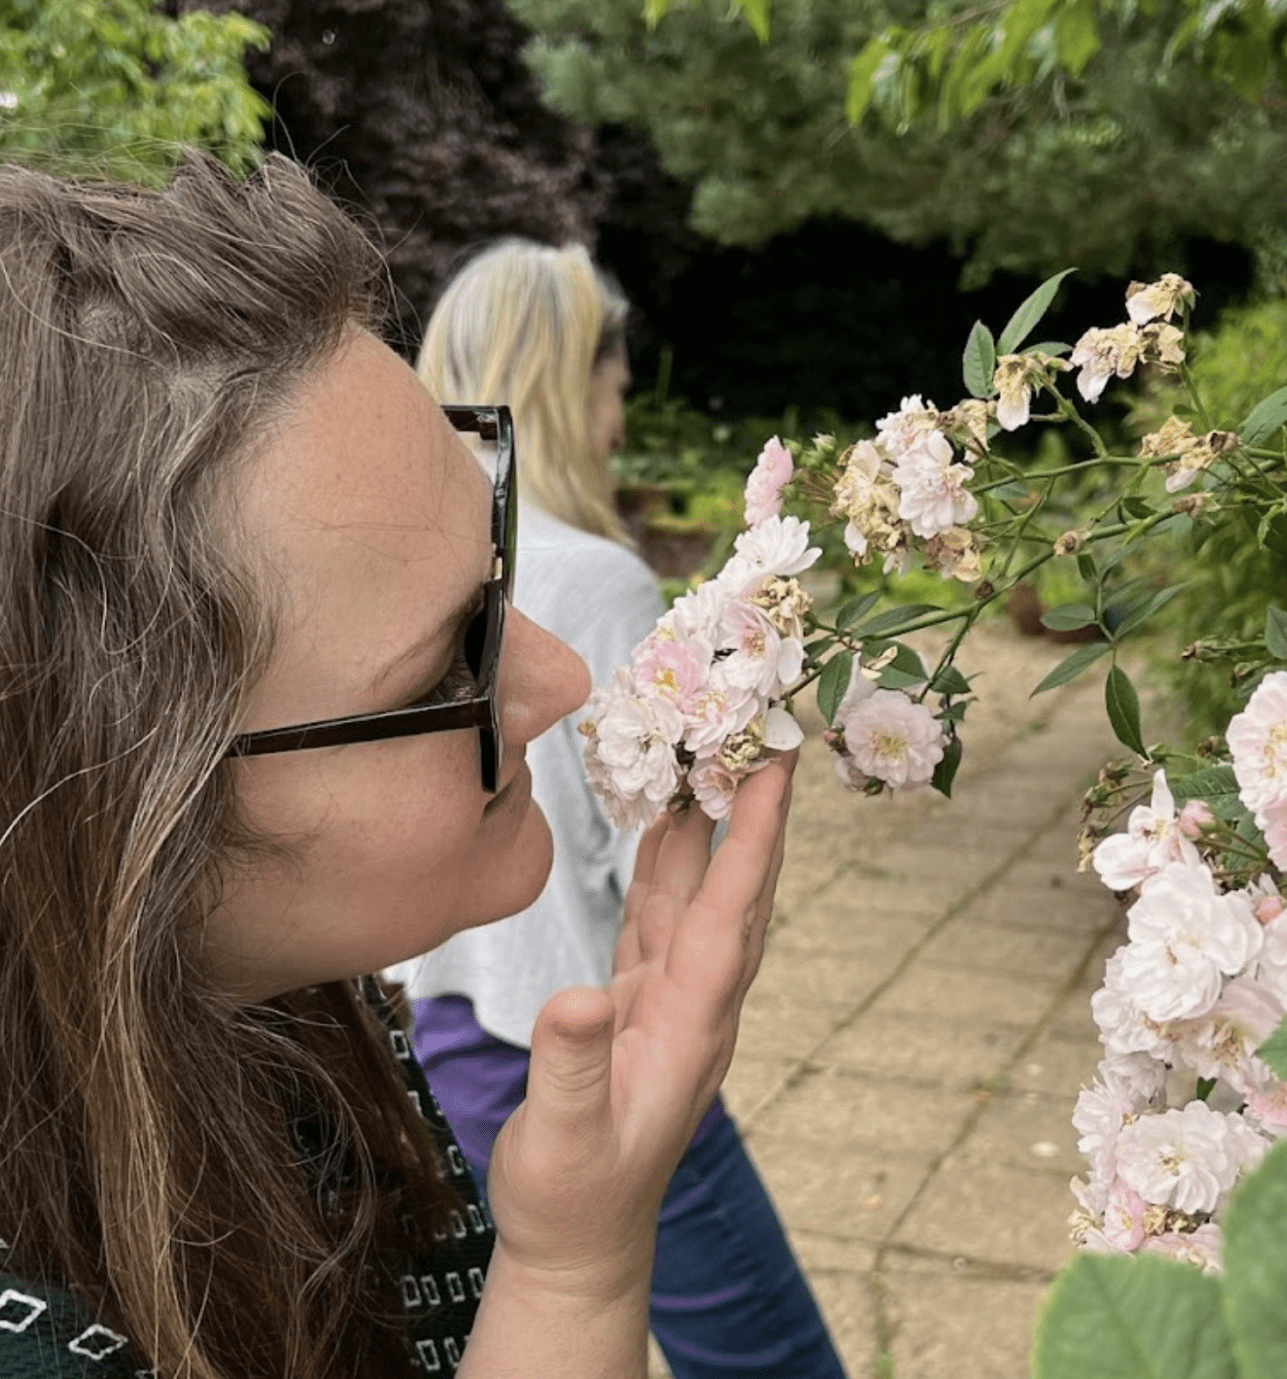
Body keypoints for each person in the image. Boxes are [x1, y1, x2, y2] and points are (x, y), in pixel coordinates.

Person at [0, 154, 795, 1379]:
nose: (563, 679)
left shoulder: (285, 1012)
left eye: (498, 564)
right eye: (436, 671)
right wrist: (575, 1280)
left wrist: (572, 1247)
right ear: (109, 814)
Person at [395, 240, 845, 1379]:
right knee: (763, 1355)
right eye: (614, 389)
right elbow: (639, 841)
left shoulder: (406, 561)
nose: (616, 422)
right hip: (588, 1039)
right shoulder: (592, 580)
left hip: (441, 1038)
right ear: (564, 380)